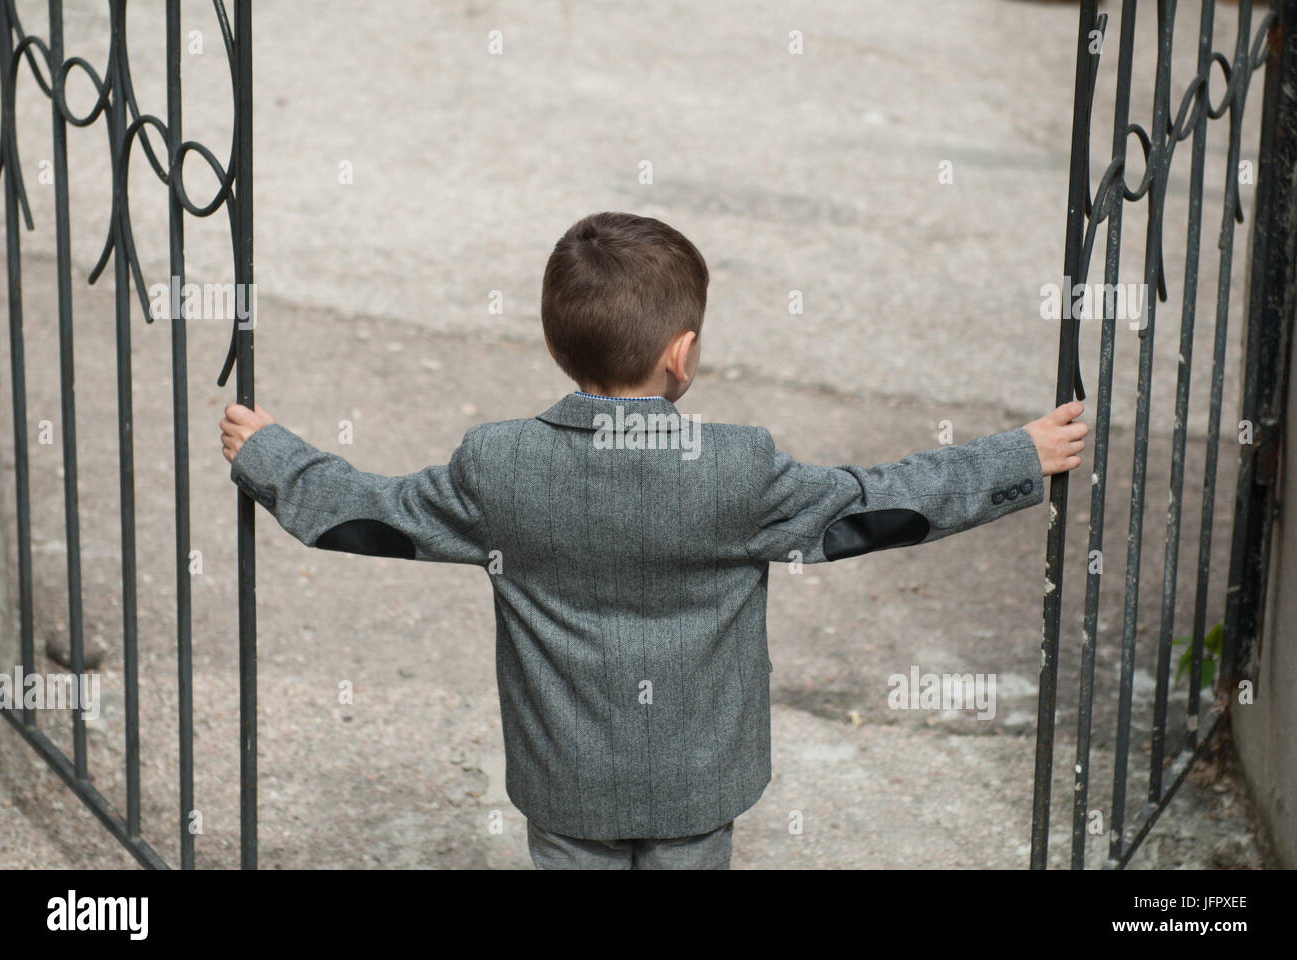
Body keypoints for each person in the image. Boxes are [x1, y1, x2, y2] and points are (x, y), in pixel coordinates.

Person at [220, 211, 1087, 869]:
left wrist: (269, 455)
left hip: (567, 785)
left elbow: (368, 515)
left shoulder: (499, 465)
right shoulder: (738, 469)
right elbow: (879, 504)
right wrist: (1019, 456)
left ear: (561, 347)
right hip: (699, 783)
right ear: (684, 355)